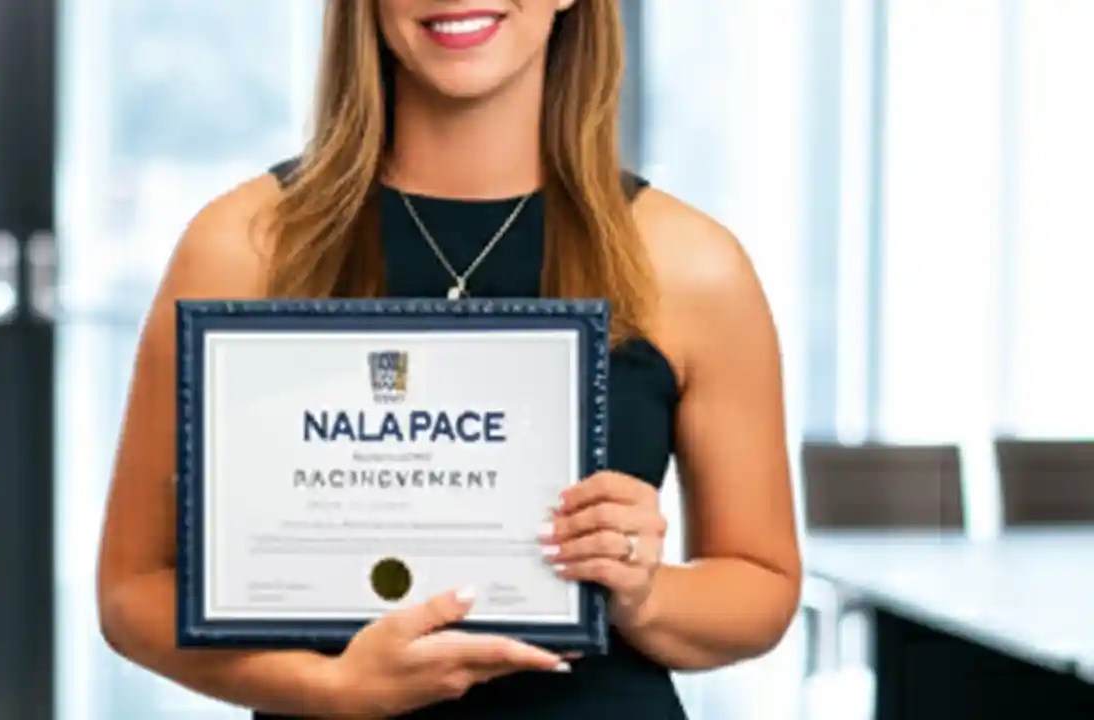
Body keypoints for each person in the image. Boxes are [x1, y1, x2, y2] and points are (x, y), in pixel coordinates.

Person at [96, 1, 802, 717]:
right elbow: (133, 590)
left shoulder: (689, 264)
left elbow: (761, 585)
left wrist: (643, 593)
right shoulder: (242, 246)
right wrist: (331, 691)